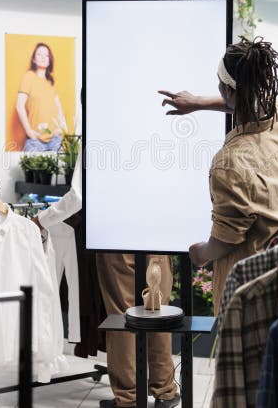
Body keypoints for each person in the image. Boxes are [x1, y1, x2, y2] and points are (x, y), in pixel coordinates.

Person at [33, 90, 180, 408]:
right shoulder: (152, 132)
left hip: (116, 237)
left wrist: (42, 219)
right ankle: (165, 391)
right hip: (159, 233)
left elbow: (77, 196)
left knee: (123, 315)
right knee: (157, 311)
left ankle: (128, 397)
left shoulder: (99, 137)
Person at [160, 37, 278, 314]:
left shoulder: (229, 163)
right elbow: (253, 104)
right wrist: (199, 102)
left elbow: (225, 241)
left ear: (227, 88)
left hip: (246, 295)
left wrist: (200, 254)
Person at [16, 43, 66, 152]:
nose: (43, 57)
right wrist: (29, 132)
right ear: (34, 59)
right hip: (35, 140)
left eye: (46, 55)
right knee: (33, 163)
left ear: (49, 61)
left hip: (55, 139)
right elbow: (19, 106)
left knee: (64, 163)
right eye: (39, 54)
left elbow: (58, 108)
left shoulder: (51, 82)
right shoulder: (28, 77)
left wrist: (61, 128)